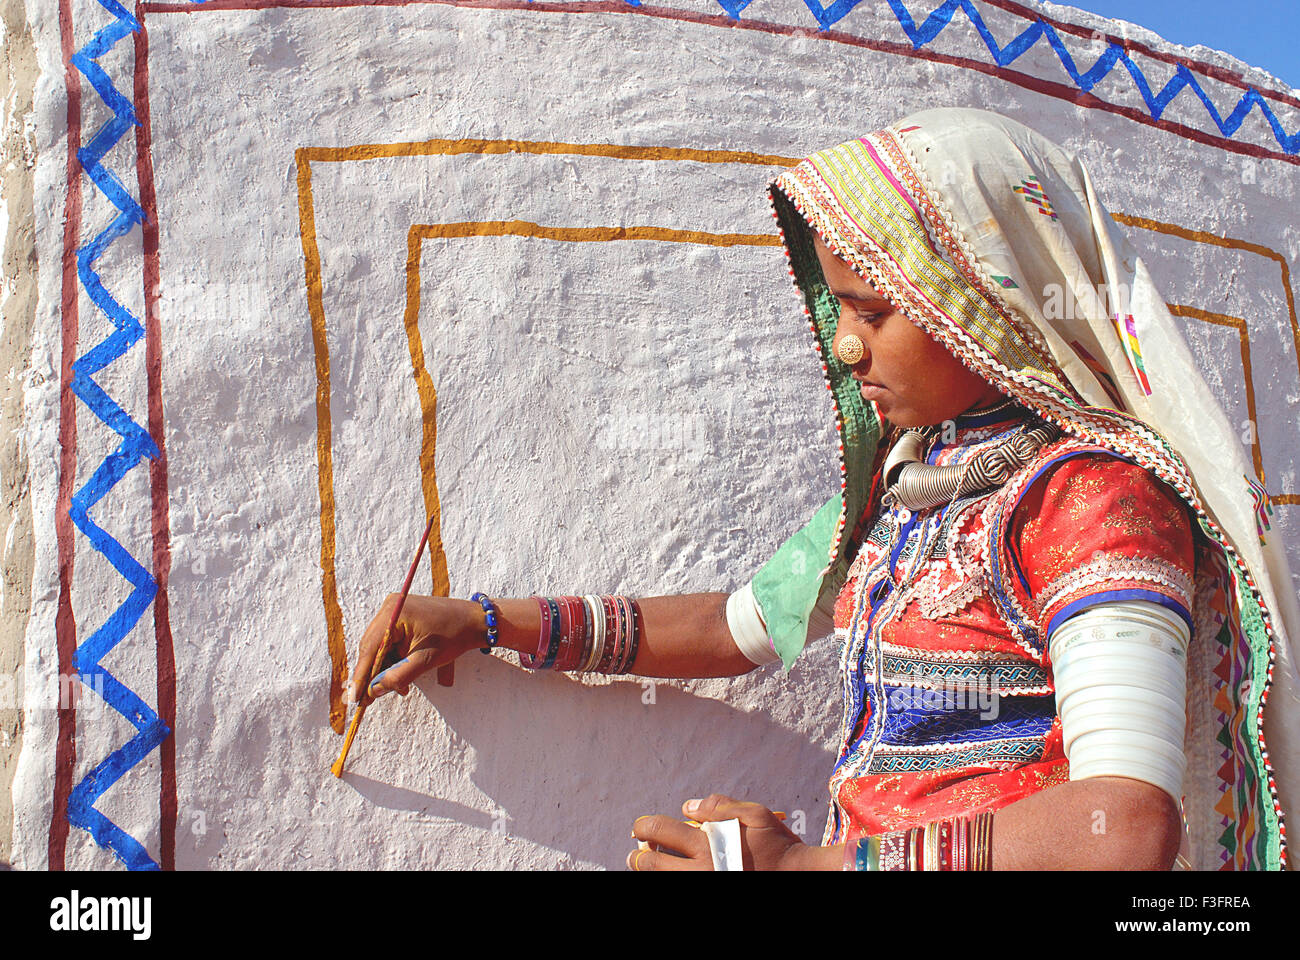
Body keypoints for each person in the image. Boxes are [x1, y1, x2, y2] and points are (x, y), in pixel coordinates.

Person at [348, 108, 1299, 870]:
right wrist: (485, 622)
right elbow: (735, 628)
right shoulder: (910, 489)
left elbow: (1125, 831)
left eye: (875, 311)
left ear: (985, 298)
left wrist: (805, 869)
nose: (846, 344)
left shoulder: (1094, 505)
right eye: (840, 308)